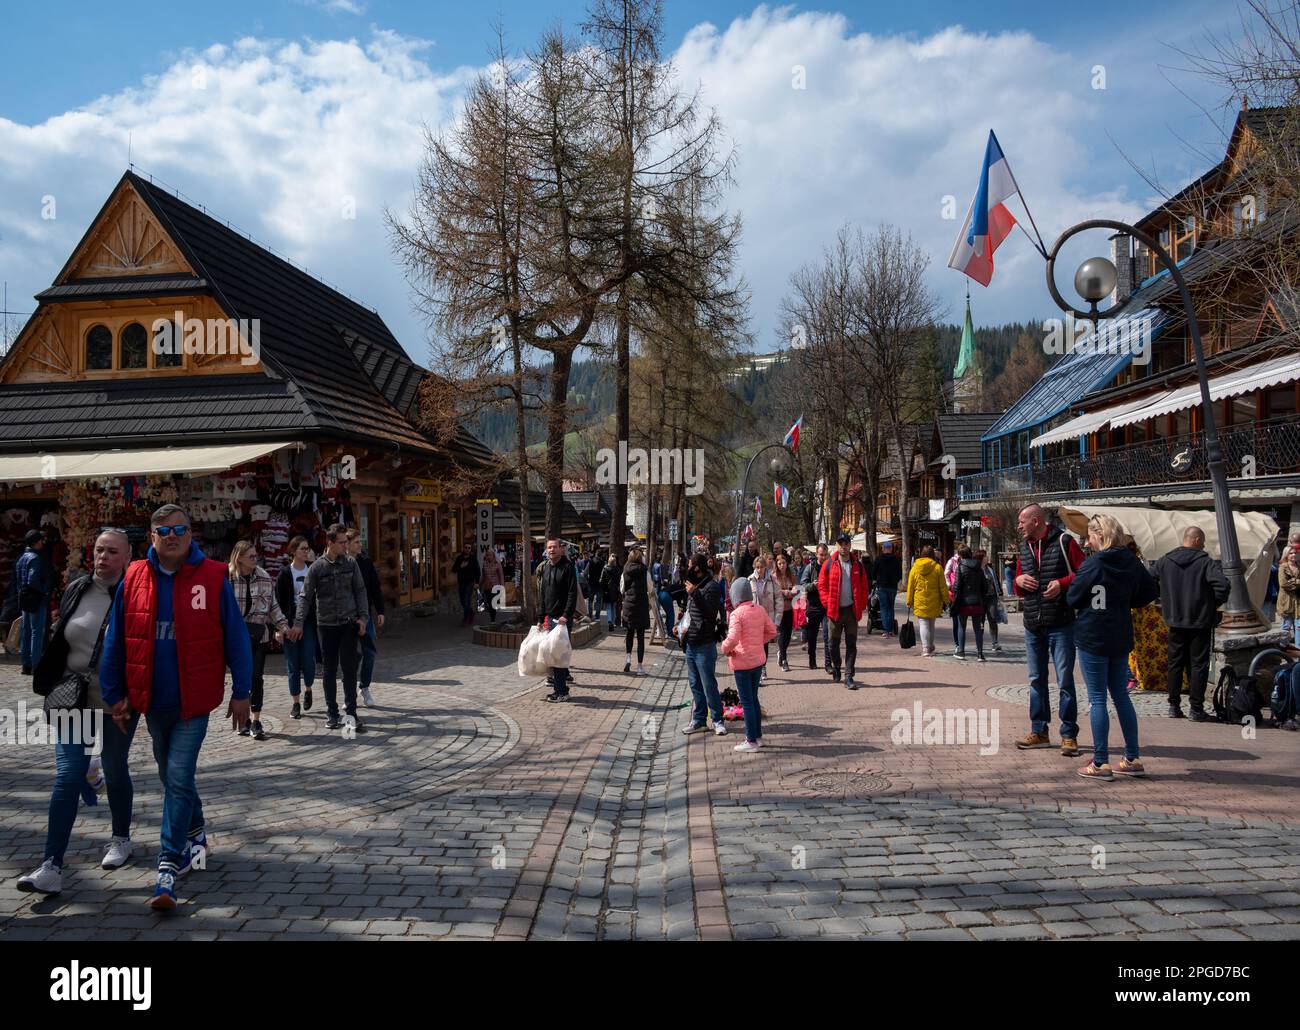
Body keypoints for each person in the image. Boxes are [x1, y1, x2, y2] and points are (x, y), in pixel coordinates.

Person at [99, 504, 252, 911]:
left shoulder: (214, 576)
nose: (172, 535)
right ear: (151, 537)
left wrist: (243, 691)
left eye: (180, 529)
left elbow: (237, 639)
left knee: (179, 775)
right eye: (163, 530)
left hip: (194, 702)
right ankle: (196, 831)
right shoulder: (133, 576)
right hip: (152, 702)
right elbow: (116, 640)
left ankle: (169, 864)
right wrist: (113, 693)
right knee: (171, 775)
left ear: (191, 534)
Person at [17, 530, 136, 895]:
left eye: (112, 552)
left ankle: (120, 838)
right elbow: (60, 635)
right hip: (73, 696)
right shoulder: (78, 588)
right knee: (68, 775)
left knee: (115, 768)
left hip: (115, 700)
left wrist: (133, 695)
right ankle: (51, 865)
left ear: (128, 556)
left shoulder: (133, 596)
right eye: (99, 550)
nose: (103, 557)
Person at [1067, 513, 1159, 780]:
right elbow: (1149, 591)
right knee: (1121, 695)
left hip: (1093, 634)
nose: (1087, 542)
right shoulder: (1130, 561)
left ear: (1100, 535)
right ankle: (1131, 757)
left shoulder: (1093, 564)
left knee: (1097, 698)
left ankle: (1100, 762)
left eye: (1089, 536)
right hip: (1120, 634)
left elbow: (1073, 597)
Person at [1013, 502, 1085, 756]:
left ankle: (1068, 734)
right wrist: (1017, 580)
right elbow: (1019, 585)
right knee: (1036, 680)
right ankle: (1039, 731)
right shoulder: (1024, 547)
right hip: (1033, 624)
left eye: (1022, 521)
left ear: (1036, 521)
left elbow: (1084, 573)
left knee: (1065, 680)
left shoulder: (1065, 542)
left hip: (1061, 623)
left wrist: (1063, 583)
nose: (1019, 526)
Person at [296, 524, 369, 733]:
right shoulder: (317, 567)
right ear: (330, 543)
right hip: (326, 626)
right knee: (329, 670)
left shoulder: (351, 564)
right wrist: (299, 623)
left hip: (348, 623)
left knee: (349, 668)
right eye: (342, 543)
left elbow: (360, 591)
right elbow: (305, 597)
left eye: (347, 542)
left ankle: (351, 715)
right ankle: (332, 712)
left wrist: (363, 618)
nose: (346, 546)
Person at [1154, 525, 1231, 721]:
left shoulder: (1165, 560)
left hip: (1175, 620)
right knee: (1198, 665)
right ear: (1196, 540)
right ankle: (1195, 709)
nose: (1204, 545)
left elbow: (1148, 580)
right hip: (1199, 621)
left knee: (1175, 663)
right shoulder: (1205, 562)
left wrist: (1163, 601)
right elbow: (1223, 585)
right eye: (1203, 541)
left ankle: (1174, 706)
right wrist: (1211, 604)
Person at [228, 540, 288, 741]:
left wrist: (283, 625)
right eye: (251, 557)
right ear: (239, 558)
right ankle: (242, 718)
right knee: (241, 679)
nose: (256, 559)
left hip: (258, 635)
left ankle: (255, 720)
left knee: (256, 677)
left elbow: (273, 606)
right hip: (235, 637)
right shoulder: (227, 578)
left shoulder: (263, 577)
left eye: (256, 556)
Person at [719, 576, 776, 753]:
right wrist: (759, 642)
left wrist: (725, 648)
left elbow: (733, 637)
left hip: (742, 662)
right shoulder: (759, 609)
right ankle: (757, 736)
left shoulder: (737, 614)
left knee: (747, 702)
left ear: (735, 595)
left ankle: (750, 739)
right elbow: (772, 631)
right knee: (754, 699)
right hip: (758, 661)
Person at [680, 553, 727, 737]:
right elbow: (690, 612)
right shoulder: (692, 585)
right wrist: (680, 625)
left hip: (705, 644)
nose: (689, 567)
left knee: (708, 684)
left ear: (698, 567)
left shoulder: (711, 587)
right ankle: (699, 720)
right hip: (690, 642)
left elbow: (709, 612)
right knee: (695, 684)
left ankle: (717, 720)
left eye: (692, 565)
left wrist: (695, 593)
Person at [818, 534, 868, 689]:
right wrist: (827, 603)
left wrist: (861, 604)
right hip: (834, 611)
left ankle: (848, 677)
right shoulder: (829, 564)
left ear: (850, 546)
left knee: (851, 644)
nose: (843, 547)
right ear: (837, 546)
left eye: (846, 544)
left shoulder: (857, 565)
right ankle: (837, 668)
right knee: (833, 644)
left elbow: (864, 587)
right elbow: (822, 585)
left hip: (851, 611)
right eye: (841, 544)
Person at [274, 535, 316, 719]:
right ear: (293, 551)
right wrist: (279, 627)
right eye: (302, 549)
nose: (306, 551)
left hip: (308, 622)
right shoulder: (285, 573)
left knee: (308, 660)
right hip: (289, 623)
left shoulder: (312, 571)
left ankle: (308, 688)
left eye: (307, 548)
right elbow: (278, 602)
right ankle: (296, 703)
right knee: (293, 664)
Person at [346, 529, 385, 707]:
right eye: (356, 542)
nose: (360, 545)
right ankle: (349, 692)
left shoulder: (366, 563)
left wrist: (381, 611)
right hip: (346, 618)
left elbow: (375, 588)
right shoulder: (340, 563)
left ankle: (365, 687)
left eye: (360, 542)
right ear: (346, 545)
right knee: (351, 655)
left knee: (369, 653)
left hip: (365, 615)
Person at [539, 537, 578, 701]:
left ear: (561, 549)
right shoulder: (546, 568)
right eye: (549, 548)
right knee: (552, 654)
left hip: (562, 619)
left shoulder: (568, 568)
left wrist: (566, 615)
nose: (552, 550)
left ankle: (562, 691)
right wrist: (541, 618)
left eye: (554, 547)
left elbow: (572, 593)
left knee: (559, 655)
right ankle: (559, 689)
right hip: (549, 617)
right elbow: (543, 594)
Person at [16, 528, 52, 674]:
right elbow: (33, 580)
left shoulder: (22, 558)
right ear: (36, 542)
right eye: (41, 540)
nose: (43, 543)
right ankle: (36, 665)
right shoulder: (35, 558)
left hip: (24, 598)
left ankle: (26, 664)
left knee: (27, 631)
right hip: (36, 599)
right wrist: (45, 590)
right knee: (37, 632)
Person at [951, 546, 993, 661]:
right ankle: (980, 654)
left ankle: (961, 652)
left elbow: (957, 586)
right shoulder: (978, 567)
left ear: (961, 555)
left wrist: (955, 599)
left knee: (961, 627)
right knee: (977, 628)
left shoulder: (961, 567)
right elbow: (984, 585)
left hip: (963, 601)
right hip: (977, 601)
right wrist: (981, 596)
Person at [906, 546, 947, 657]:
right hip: (934, 600)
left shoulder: (915, 568)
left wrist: (909, 600)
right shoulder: (937, 568)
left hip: (920, 599)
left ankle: (925, 648)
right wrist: (946, 600)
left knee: (923, 623)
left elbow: (910, 586)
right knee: (931, 623)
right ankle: (931, 645)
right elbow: (943, 586)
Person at [748, 554, 783, 682]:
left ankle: (763, 667)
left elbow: (779, 598)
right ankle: (757, 668)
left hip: (768, 616)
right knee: (756, 644)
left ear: (765, 567)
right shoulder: (750, 580)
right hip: (754, 617)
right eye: (757, 567)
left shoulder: (772, 580)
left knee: (765, 644)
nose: (759, 569)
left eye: (761, 567)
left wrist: (777, 619)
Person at [621, 547, 651, 675]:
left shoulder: (625, 570)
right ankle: (639, 667)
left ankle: (628, 658)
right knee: (640, 636)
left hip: (629, 605)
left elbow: (622, 588)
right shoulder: (645, 571)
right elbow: (650, 588)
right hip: (641, 605)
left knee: (629, 633)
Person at [871, 541, 902, 637]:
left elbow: (874, 573)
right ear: (891, 549)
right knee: (890, 607)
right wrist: (895, 581)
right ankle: (891, 629)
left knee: (884, 608)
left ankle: (886, 631)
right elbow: (899, 574)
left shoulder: (878, 559)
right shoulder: (896, 559)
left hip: (882, 586)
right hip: (892, 587)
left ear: (883, 549)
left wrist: (876, 580)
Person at [773, 554, 798, 672]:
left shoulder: (791, 575)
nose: (782, 565)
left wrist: (793, 591)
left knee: (788, 634)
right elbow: (773, 592)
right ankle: (784, 660)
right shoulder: (774, 577)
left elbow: (797, 588)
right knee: (782, 633)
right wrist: (784, 592)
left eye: (783, 563)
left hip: (790, 607)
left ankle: (780, 652)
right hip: (779, 608)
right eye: (779, 564)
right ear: (776, 565)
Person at [976, 548, 1003, 652]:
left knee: (992, 619)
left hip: (992, 597)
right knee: (980, 621)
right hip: (981, 599)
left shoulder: (990, 568)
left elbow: (996, 581)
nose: (987, 558)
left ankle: (995, 642)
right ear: (981, 558)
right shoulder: (977, 569)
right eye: (985, 556)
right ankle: (980, 642)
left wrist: (1000, 593)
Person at [451, 543, 481, 627]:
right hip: (461, 582)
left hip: (470, 582)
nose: (467, 549)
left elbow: (477, 571)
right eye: (466, 547)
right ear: (463, 548)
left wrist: (477, 582)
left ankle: (465, 618)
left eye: (469, 548)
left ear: (470, 549)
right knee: (462, 600)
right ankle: (471, 612)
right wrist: (461, 566)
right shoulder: (459, 558)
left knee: (467, 600)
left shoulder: (473, 559)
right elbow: (454, 570)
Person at [1280, 546, 1300, 648]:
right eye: (1291, 553)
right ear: (1286, 555)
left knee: (1299, 626)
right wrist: (1297, 582)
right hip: (1286, 601)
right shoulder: (1283, 567)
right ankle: (1282, 649)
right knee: (1286, 626)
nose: (1293, 555)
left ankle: (1298, 649)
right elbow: (1283, 584)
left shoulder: (1299, 566)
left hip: (1298, 601)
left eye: (1295, 553)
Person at [480, 547, 505, 624]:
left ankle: (493, 619)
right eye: (487, 555)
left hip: (495, 586)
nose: (489, 557)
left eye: (490, 555)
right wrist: (479, 584)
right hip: (487, 586)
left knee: (493, 603)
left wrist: (502, 586)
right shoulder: (484, 563)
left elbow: (501, 575)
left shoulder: (497, 563)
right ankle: (492, 617)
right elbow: (483, 575)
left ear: (493, 556)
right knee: (489, 603)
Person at [600, 556, 622, 628]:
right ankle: (612, 621)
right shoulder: (617, 569)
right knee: (613, 607)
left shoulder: (605, 569)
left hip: (607, 590)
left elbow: (601, 580)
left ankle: (609, 621)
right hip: (615, 590)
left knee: (608, 607)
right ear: (615, 562)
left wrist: (603, 588)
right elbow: (619, 580)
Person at [587, 549, 607, 622]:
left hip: (591, 583)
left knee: (590, 601)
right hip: (599, 584)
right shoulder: (603, 563)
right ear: (601, 555)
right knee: (598, 601)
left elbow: (585, 573)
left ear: (596, 554)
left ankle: (590, 615)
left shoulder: (590, 561)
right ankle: (597, 617)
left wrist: (588, 578)